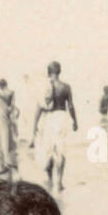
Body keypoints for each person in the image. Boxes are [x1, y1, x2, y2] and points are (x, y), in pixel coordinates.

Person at [31, 61, 77, 193]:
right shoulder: (66, 87)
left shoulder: (45, 87)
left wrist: (34, 126)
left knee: (48, 150)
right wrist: (75, 121)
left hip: (48, 119)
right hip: (61, 118)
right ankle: (60, 182)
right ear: (59, 71)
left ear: (48, 72)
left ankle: (50, 179)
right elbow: (71, 106)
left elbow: (39, 107)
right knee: (60, 151)